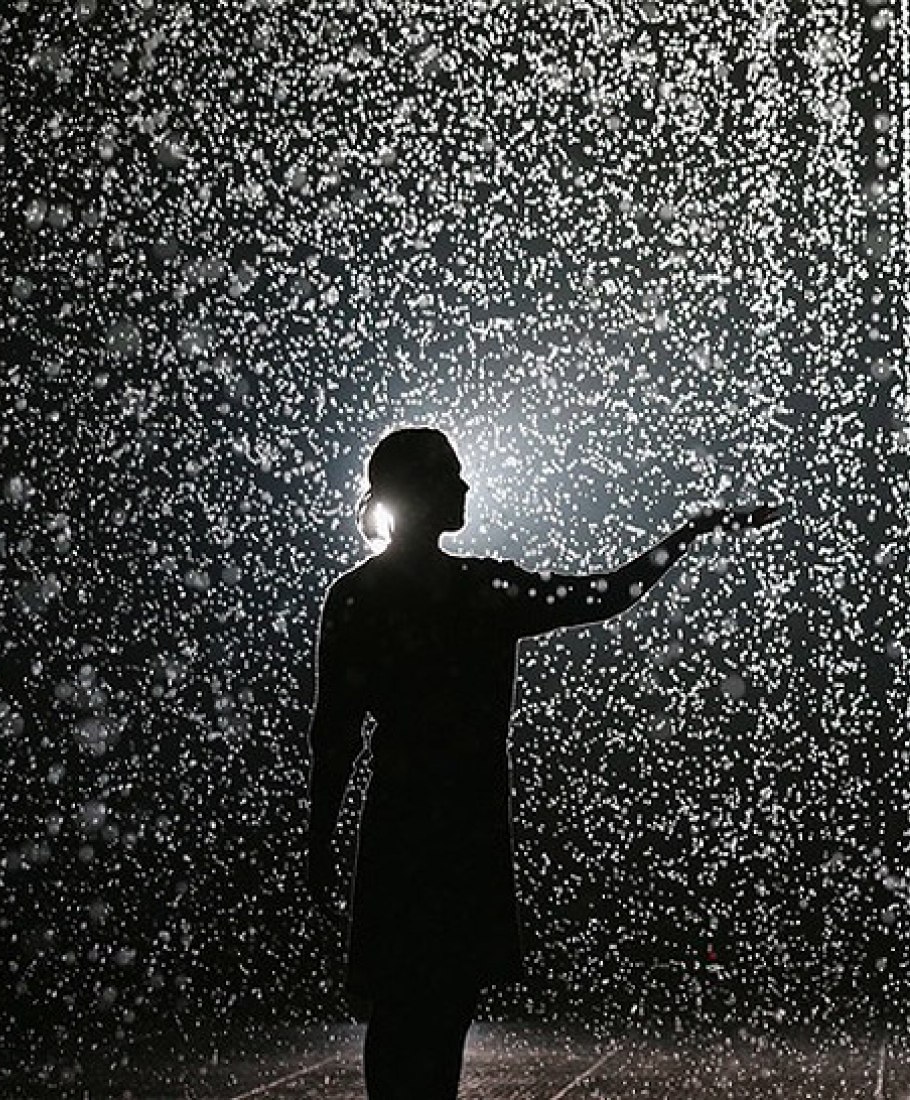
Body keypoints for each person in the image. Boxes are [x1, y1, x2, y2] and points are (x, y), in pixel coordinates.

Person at [305, 425, 783, 1099]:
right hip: (462, 827)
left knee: (402, 1014)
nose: (464, 485)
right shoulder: (483, 591)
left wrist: (320, 843)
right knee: (440, 1015)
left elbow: (335, 736)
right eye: (448, 474)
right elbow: (610, 594)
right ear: (416, 493)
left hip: (404, 824)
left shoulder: (360, 595)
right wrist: (690, 534)